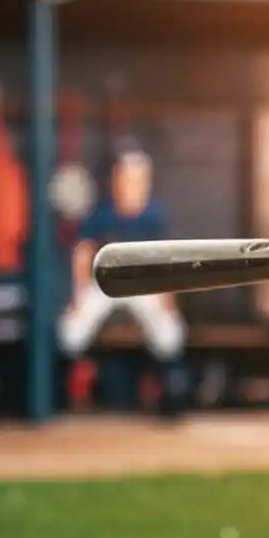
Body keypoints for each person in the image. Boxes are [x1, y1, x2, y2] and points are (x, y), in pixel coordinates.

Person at [58, 140, 189, 418]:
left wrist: (168, 297)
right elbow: (83, 253)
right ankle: (71, 385)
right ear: (116, 180)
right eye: (125, 178)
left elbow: (168, 258)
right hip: (106, 282)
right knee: (71, 331)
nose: (130, 184)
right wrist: (78, 295)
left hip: (143, 283)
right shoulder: (102, 212)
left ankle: (167, 389)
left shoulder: (154, 215)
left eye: (137, 179)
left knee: (169, 332)